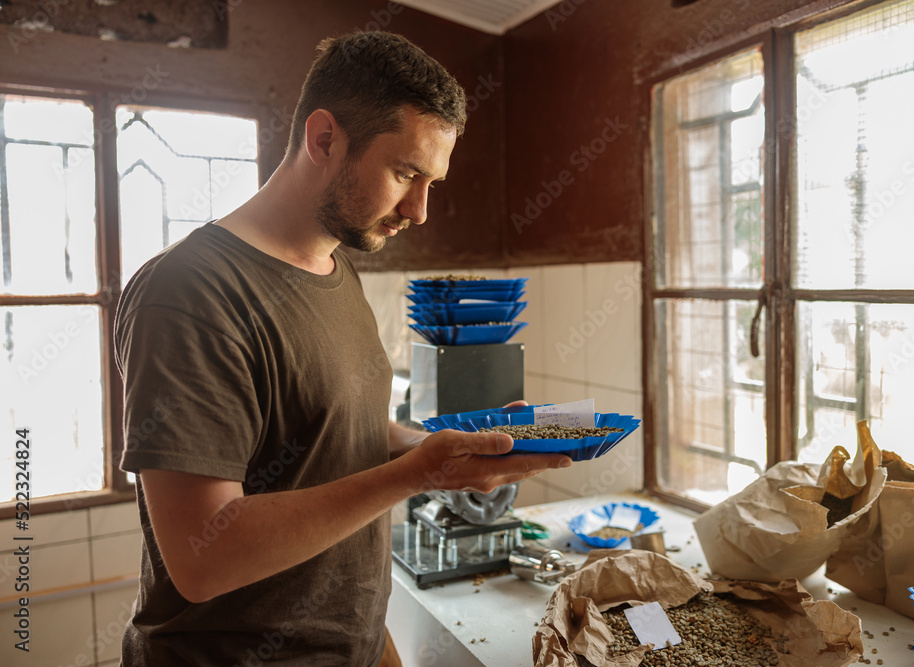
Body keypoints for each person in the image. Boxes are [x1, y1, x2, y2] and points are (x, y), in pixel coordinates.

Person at [114, 31, 572, 666]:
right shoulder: (189, 291)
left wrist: (438, 445)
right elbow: (202, 557)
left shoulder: (337, 267)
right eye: (406, 173)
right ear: (324, 138)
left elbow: (336, 424)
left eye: (431, 181)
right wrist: (420, 473)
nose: (420, 210)